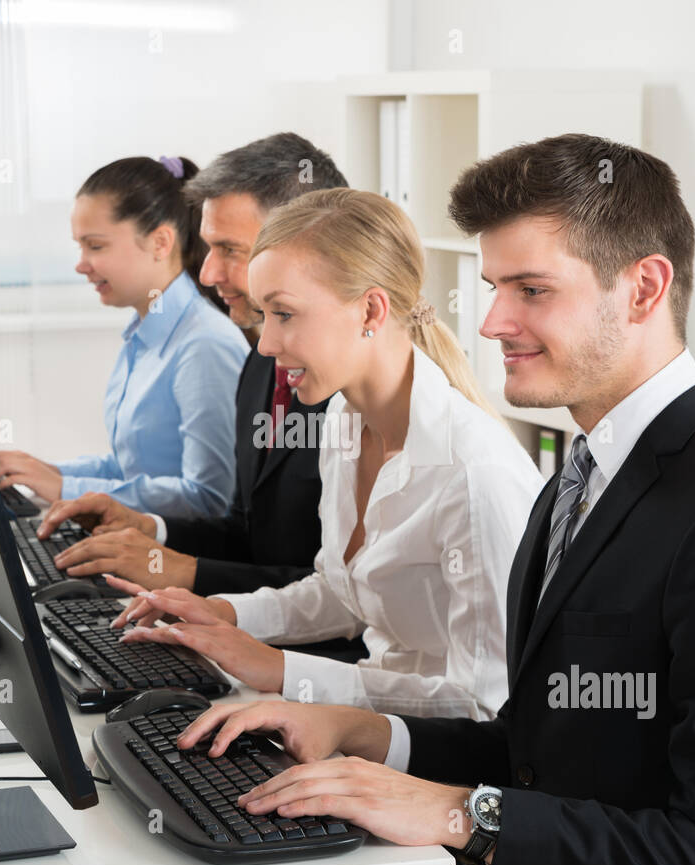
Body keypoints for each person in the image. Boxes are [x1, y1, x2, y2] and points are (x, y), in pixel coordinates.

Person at [173, 134, 695, 865]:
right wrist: (361, 733)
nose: (491, 322)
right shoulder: (580, 477)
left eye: (532, 290)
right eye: (494, 289)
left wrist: (463, 811)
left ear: (645, 288)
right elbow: (531, 750)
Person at [111, 188, 544, 720]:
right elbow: (343, 594)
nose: (266, 343)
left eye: (285, 314)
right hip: (371, 726)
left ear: (370, 309)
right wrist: (220, 613)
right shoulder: (343, 420)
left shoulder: (474, 475)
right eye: (264, 313)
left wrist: (283, 671)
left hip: (434, 763)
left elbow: (483, 706)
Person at [33, 134, 350, 607]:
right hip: (258, 630)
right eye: (209, 247)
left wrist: (181, 570)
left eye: (230, 249)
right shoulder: (264, 364)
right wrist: (150, 528)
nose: (206, 274)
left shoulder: (358, 396)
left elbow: (348, 599)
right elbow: (246, 530)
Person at [0, 156, 248, 521]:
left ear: (160, 242)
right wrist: (46, 472)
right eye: (80, 246)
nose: (81, 263)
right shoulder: (144, 334)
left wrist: (65, 489)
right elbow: (135, 471)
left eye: (95, 246)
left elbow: (207, 500)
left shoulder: (204, 345)